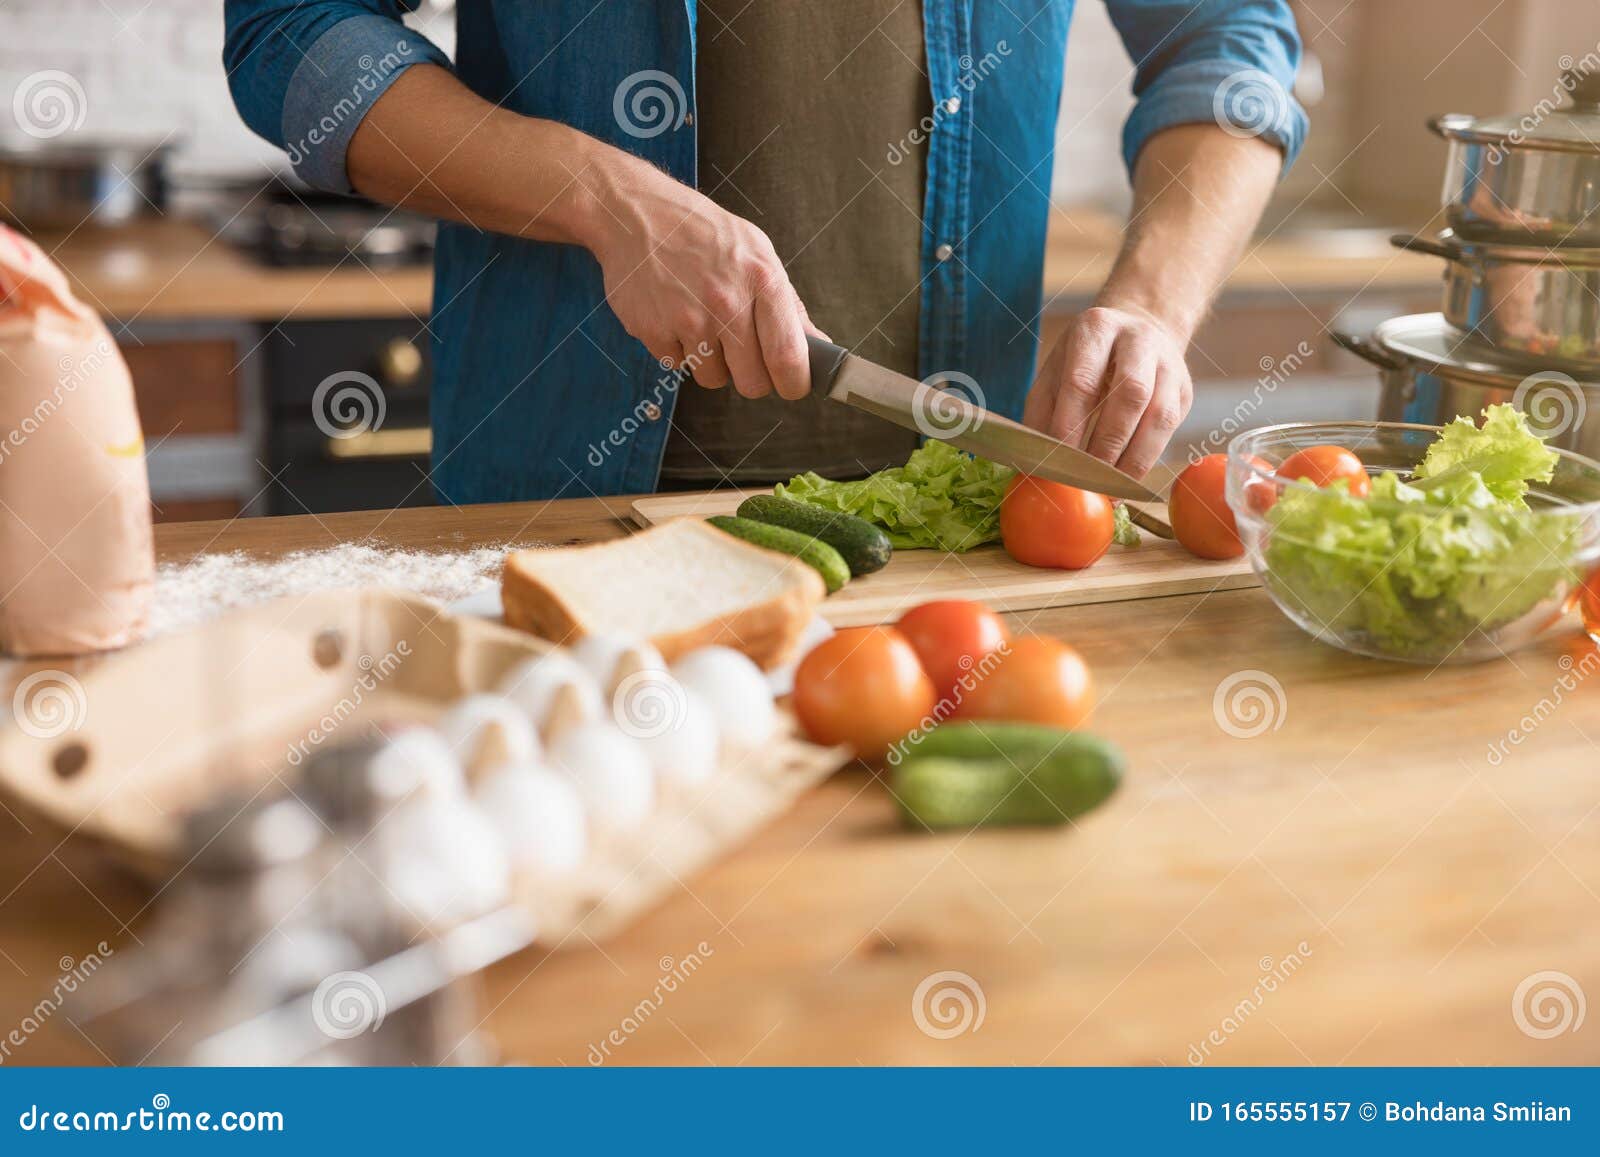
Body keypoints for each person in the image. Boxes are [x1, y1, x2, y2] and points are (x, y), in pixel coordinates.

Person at [223, 2, 1306, 504]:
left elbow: (1226, 36)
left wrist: (1157, 303)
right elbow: (291, 30)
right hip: (560, 494)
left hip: (950, 510)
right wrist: (603, 197)